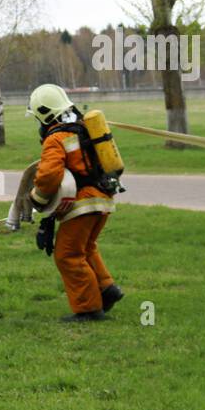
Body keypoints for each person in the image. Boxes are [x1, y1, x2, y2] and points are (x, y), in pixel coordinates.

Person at [25, 84, 122, 322]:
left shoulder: (56, 138)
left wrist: (36, 201)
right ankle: (106, 289)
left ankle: (88, 309)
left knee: (67, 255)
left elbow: (48, 177)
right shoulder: (84, 128)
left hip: (83, 205)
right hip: (104, 199)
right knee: (86, 248)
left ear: (46, 115)